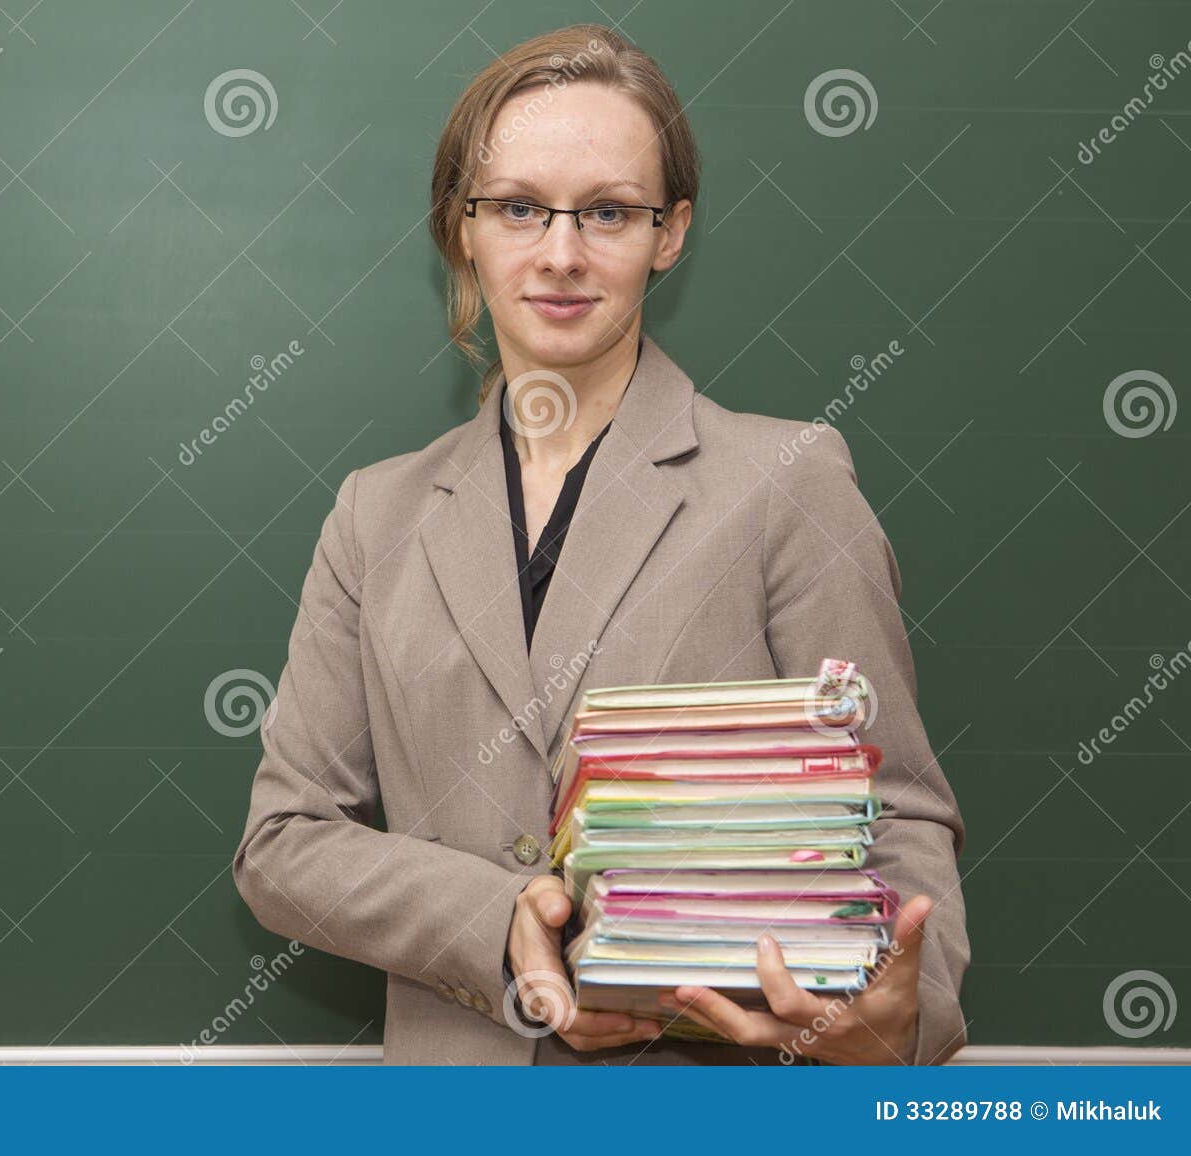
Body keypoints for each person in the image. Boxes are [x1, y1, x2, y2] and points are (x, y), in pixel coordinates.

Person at [232, 23, 968, 1066]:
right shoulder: (375, 515)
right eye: (520, 207)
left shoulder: (786, 482)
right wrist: (497, 922)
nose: (562, 252)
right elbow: (284, 845)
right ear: (463, 228)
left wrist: (904, 1014)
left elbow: (891, 813)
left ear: (670, 234)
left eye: (610, 212)